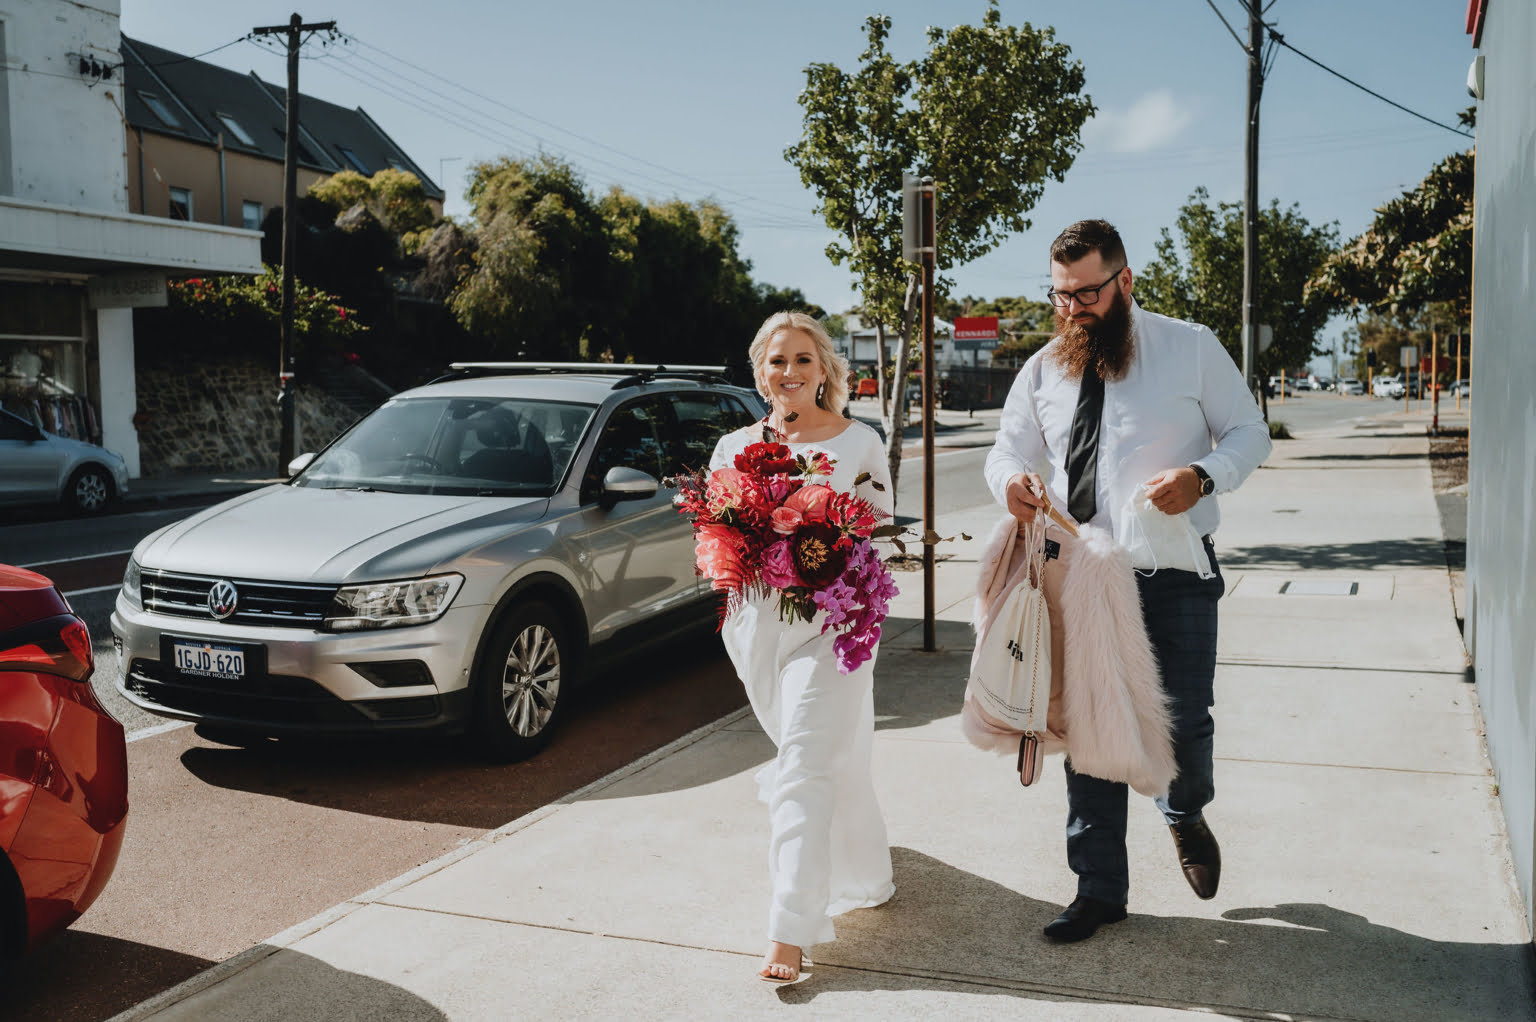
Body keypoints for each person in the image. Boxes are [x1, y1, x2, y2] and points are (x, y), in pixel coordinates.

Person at [984, 220, 1271, 942]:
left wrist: (1204, 474)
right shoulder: (1043, 368)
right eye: (1060, 295)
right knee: (1089, 729)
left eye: (1087, 293)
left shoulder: (1189, 346)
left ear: (1125, 280)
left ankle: (1184, 811)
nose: (1072, 308)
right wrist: (1011, 482)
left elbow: (1249, 431)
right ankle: (1099, 889)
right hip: (1083, 574)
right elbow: (1007, 450)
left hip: (1174, 570)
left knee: (1185, 716)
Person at [710, 311, 895, 983]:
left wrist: (819, 532)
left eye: (803, 360)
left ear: (824, 371)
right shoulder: (733, 448)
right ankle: (864, 865)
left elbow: (878, 527)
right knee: (820, 761)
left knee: (804, 766)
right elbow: (715, 540)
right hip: (760, 627)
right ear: (760, 371)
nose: (789, 372)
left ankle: (789, 930)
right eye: (777, 360)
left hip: (836, 626)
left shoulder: (859, 442)